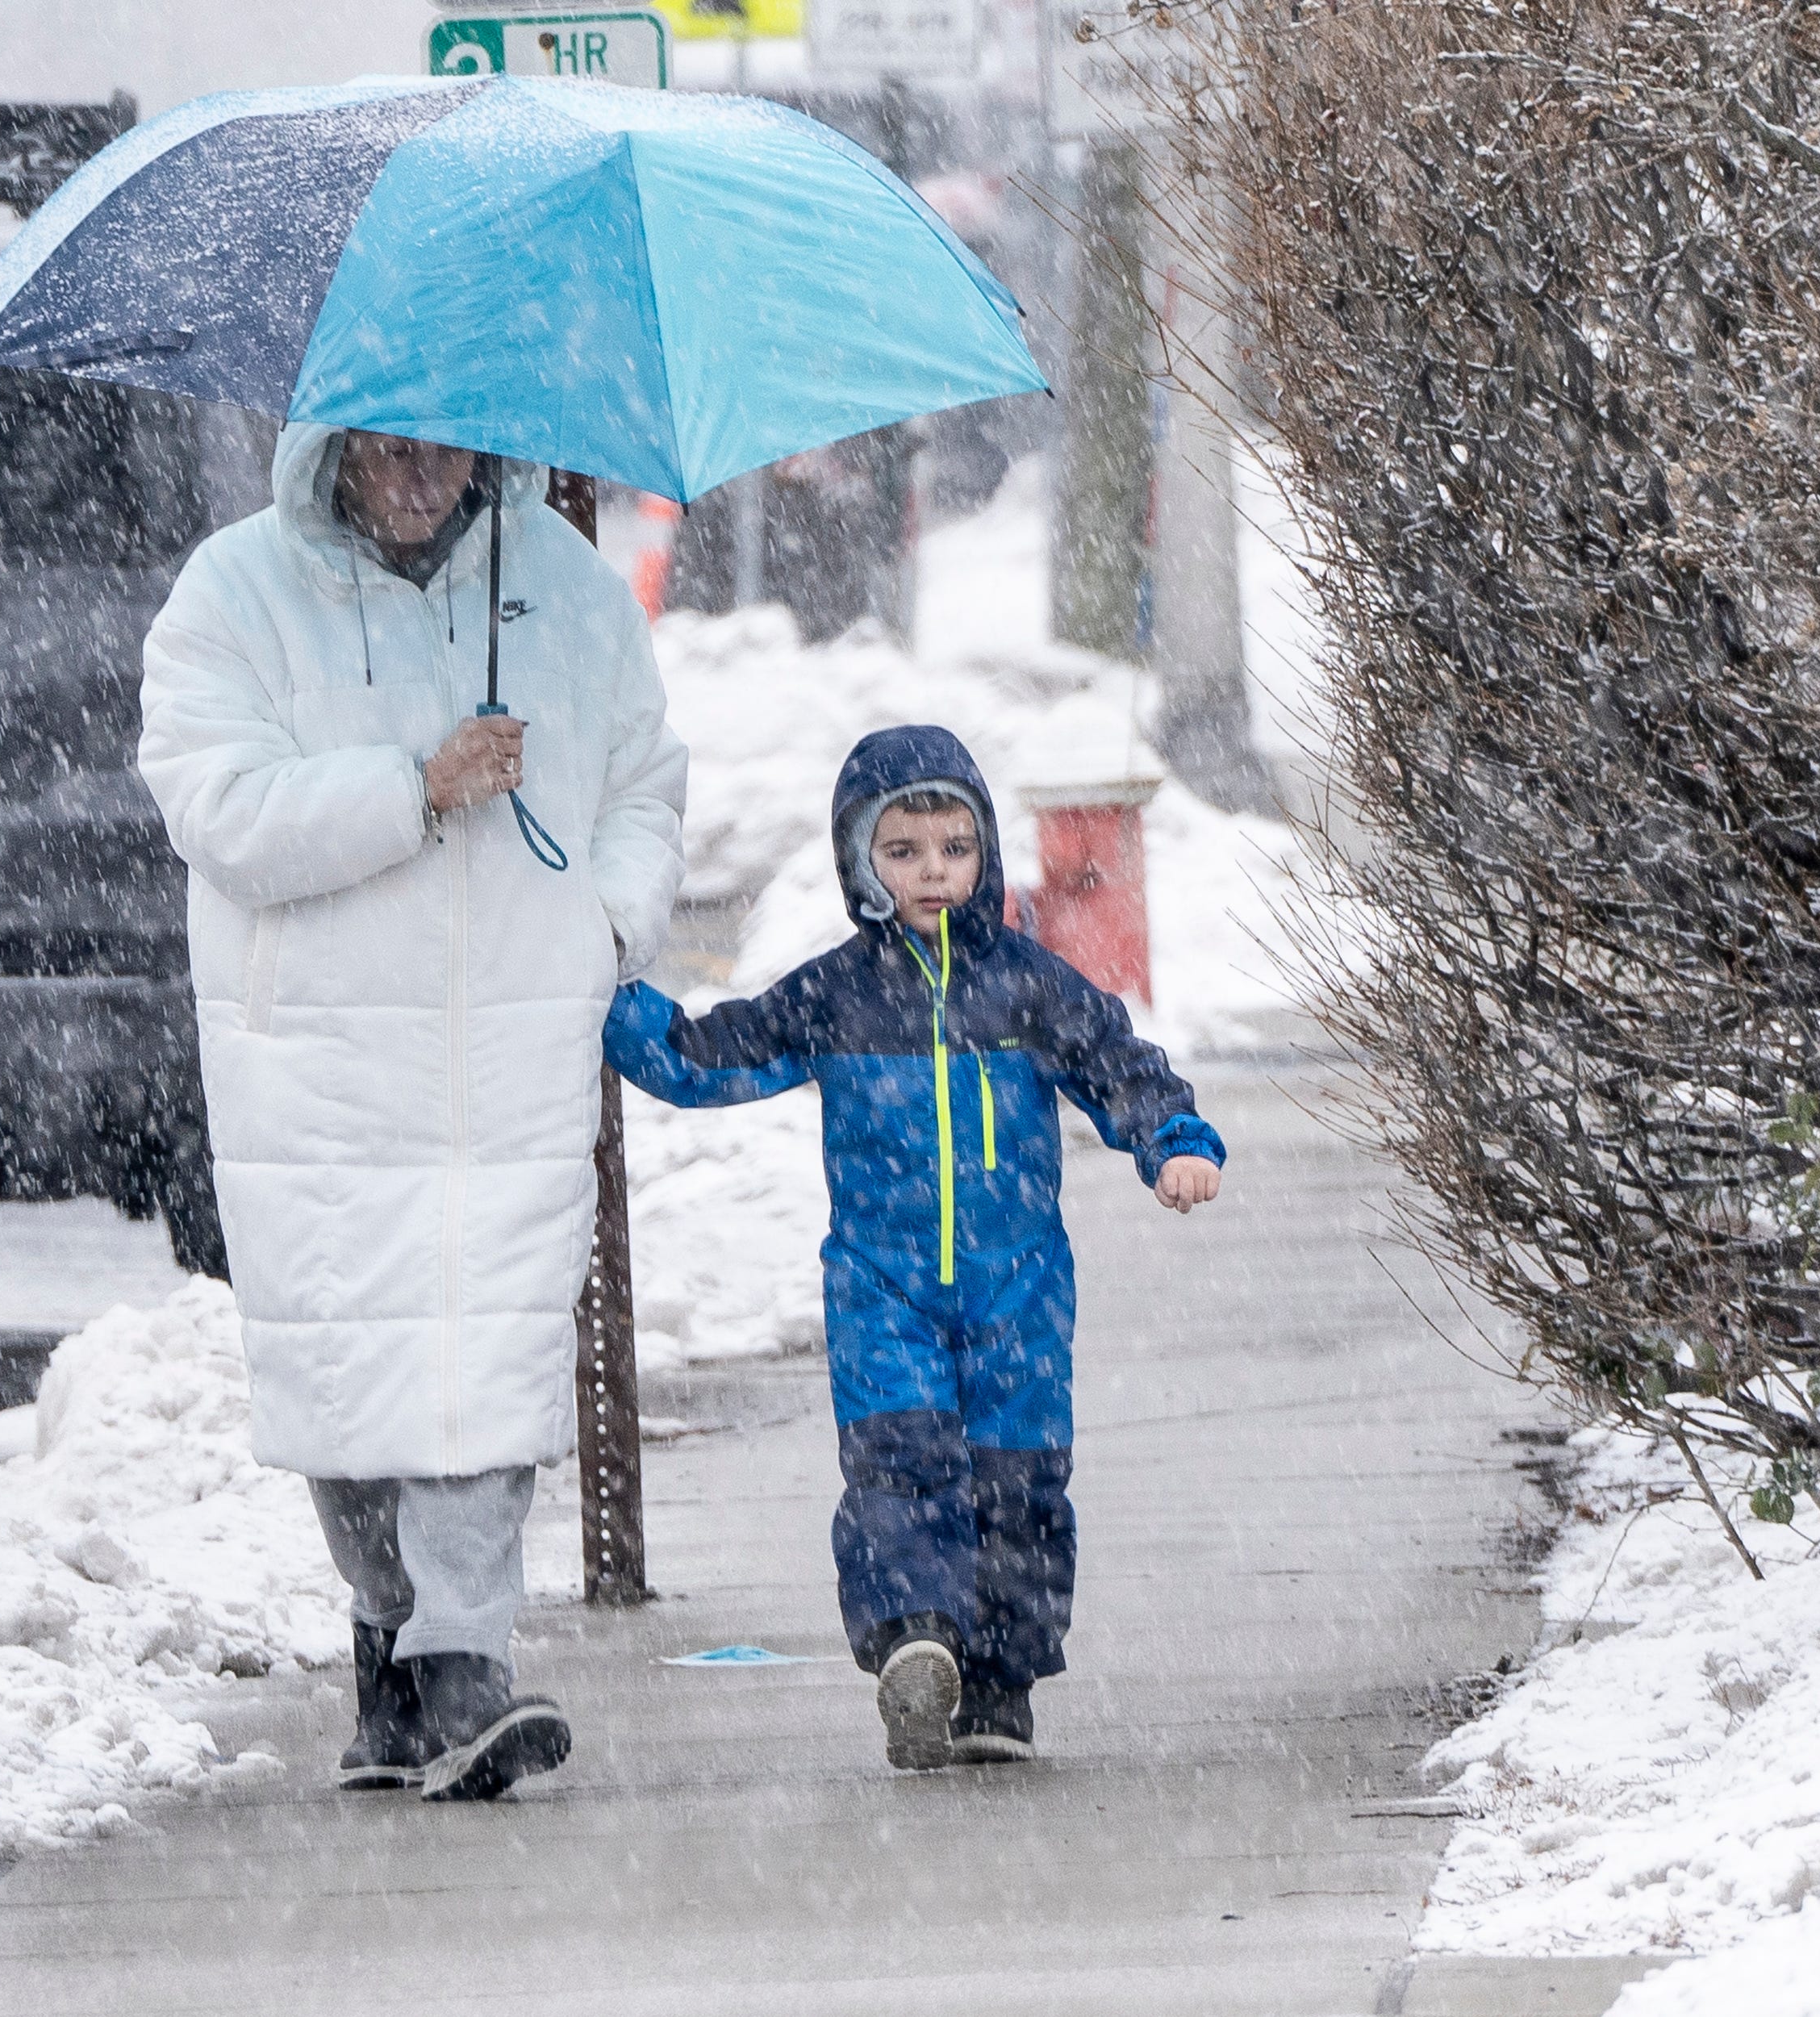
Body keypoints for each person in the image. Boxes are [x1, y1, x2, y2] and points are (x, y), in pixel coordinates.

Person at [139, 426, 687, 1801]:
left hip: (509, 1041)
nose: (421, 475)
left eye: (447, 451)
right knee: (355, 1378)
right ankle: (388, 1643)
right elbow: (217, 810)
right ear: (332, 448)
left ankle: (462, 1663)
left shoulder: (561, 584)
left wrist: (605, 927)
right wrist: (412, 788)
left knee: (486, 1349)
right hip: (317, 1062)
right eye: (389, 449)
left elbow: (644, 783)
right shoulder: (232, 593)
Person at [605, 725, 1222, 1769]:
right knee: (900, 1469)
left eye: (952, 848)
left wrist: (1174, 1143)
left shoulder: (1029, 985)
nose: (931, 872)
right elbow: (710, 1056)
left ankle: (1000, 1686)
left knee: (1017, 1480)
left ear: (983, 857)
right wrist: (608, 999)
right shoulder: (838, 992)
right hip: (880, 1287)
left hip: (1017, 1287)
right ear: (860, 862)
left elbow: (1121, 1066)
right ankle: (915, 1646)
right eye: (902, 852)